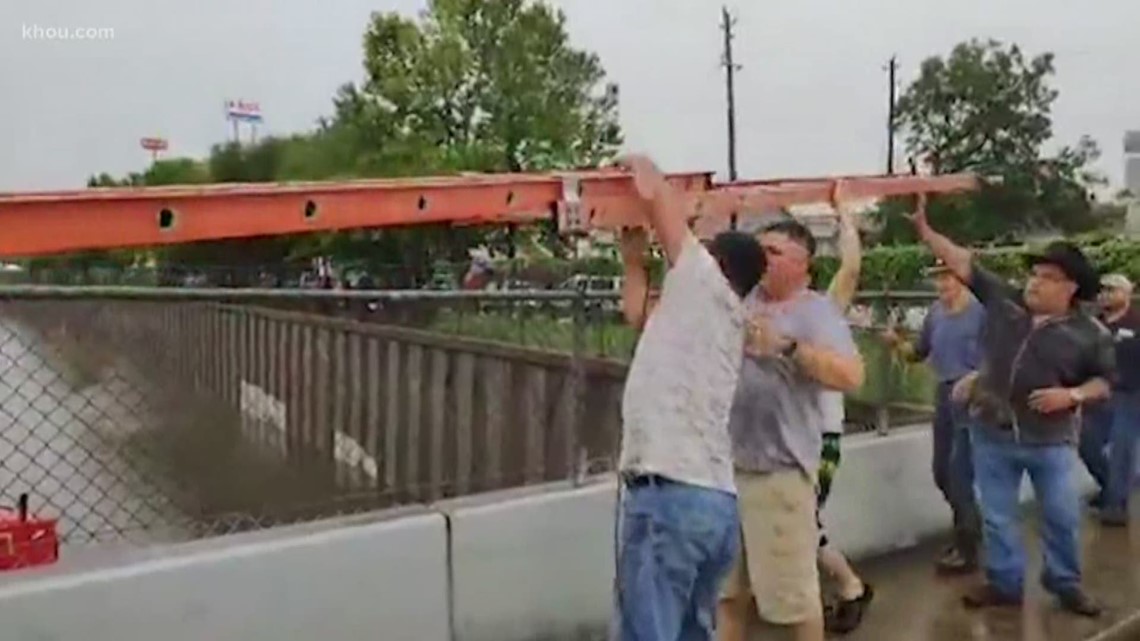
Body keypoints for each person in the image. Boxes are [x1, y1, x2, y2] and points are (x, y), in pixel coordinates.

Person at [909, 195, 1114, 616]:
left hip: (1050, 441)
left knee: (1060, 516)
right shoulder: (1005, 304)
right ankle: (1004, 583)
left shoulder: (1089, 333)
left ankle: (1065, 583)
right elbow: (964, 263)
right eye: (1034, 274)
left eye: (1047, 276)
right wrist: (928, 234)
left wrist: (1072, 396)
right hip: (992, 433)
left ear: (1071, 286)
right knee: (998, 517)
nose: (1034, 282)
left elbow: (1104, 383)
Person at [613, 154, 766, 641]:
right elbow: (638, 314)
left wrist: (640, 164)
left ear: (717, 264)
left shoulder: (704, 281)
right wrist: (633, 260)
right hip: (709, 503)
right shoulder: (712, 313)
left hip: (670, 497)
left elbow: (658, 196)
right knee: (687, 632)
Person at [718, 217, 866, 641]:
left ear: (803, 264)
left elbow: (852, 376)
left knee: (793, 603)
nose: (762, 259)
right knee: (727, 597)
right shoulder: (741, 299)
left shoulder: (816, 312)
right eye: (759, 249)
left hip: (779, 475)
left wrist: (787, 347)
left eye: (775, 252)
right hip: (729, 470)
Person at [882, 259, 986, 574]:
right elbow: (919, 352)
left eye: (948, 279)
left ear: (963, 280)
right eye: (938, 280)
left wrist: (979, 380)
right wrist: (897, 344)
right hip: (944, 394)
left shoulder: (983, 313)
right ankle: (971, 530)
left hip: (973, 396)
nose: (942, 286)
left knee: (959, 473)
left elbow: (1003, 353)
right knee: (942, 472)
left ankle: (968, 549)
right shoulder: (936, 313)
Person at [815, 194, 873, 634]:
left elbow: (850, 270)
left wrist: (845, 217)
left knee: (802, 524)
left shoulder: (820, 316)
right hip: (776, 443)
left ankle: (850, 585)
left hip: (817, 440)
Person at [1079, 273, 1140, 526]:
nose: (1106, 294)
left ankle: (1116, 506)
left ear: (1127, 293)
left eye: (1113, 289)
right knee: (1086, 444)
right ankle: (1111, 487)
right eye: (1103, 290)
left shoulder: (1136, 322)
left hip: (1131, 393)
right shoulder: (1093, 325)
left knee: (1121, 448)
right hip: (1099, 393)